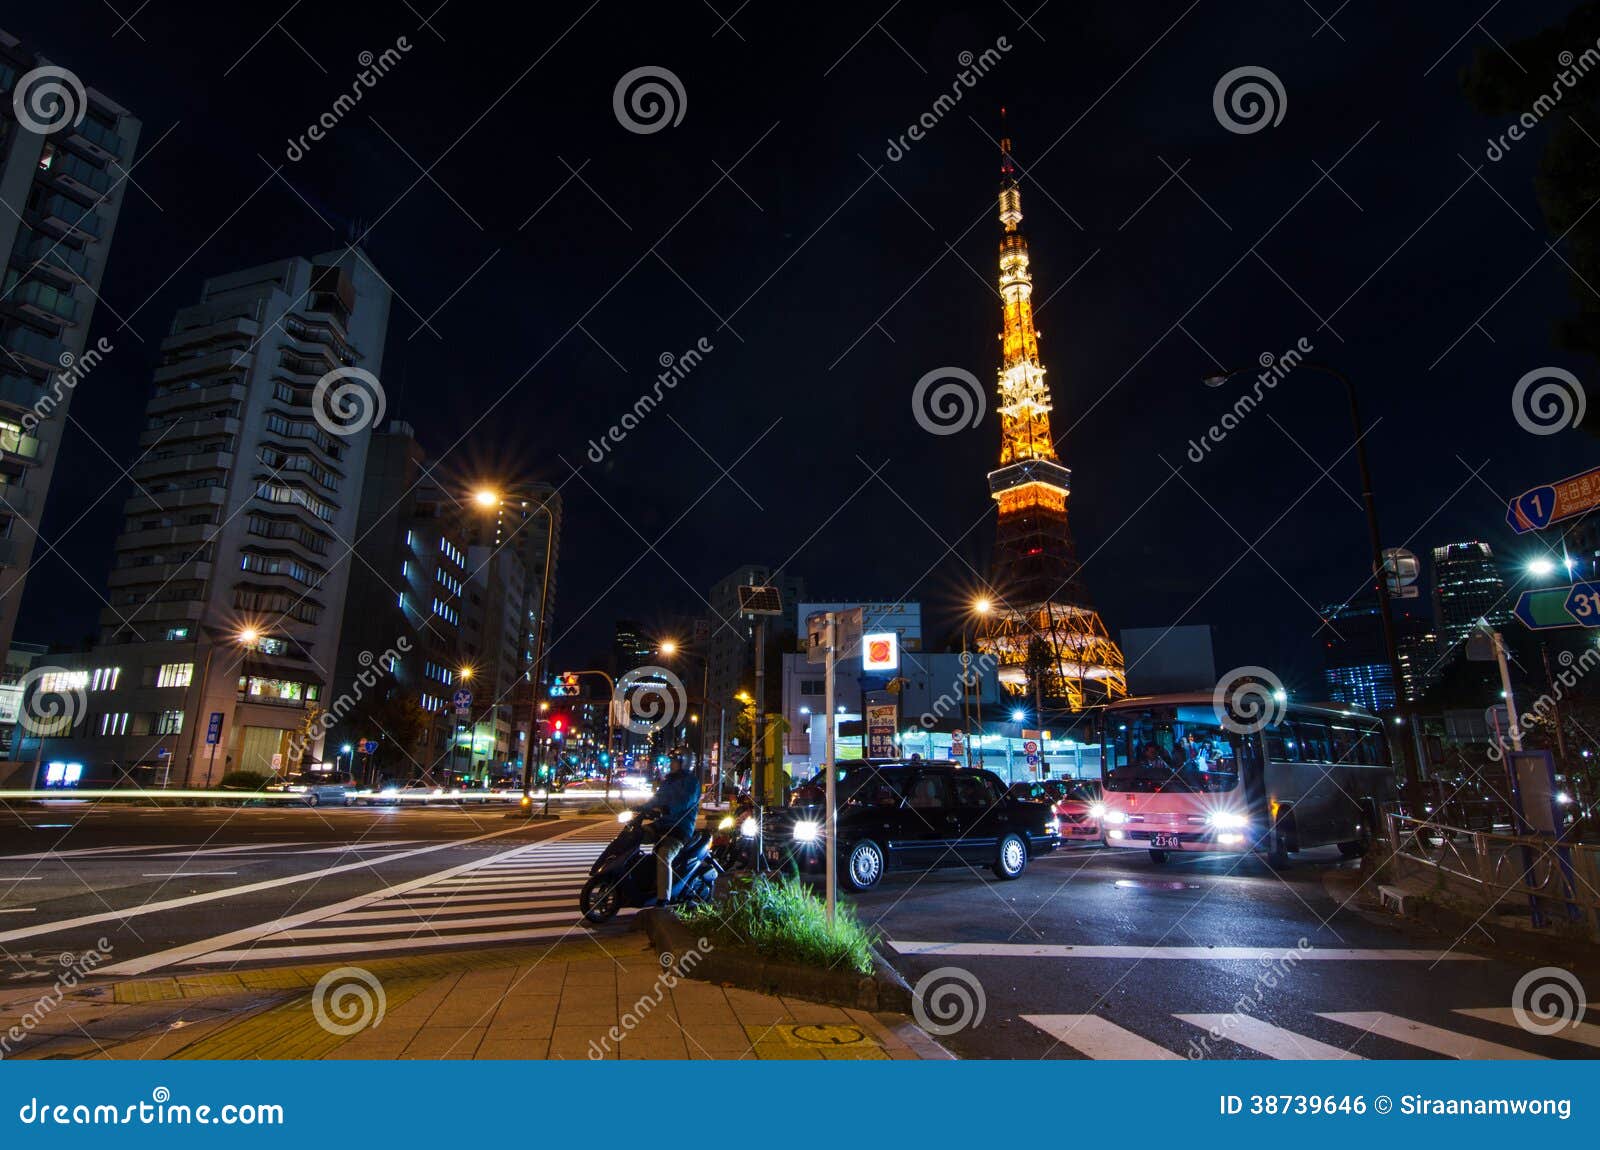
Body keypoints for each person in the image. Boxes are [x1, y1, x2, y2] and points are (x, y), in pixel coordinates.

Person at [638, 756, 700, 905]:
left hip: (680, 828)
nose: (671, 764)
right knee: (634, 835)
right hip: (662, 824)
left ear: (684, 763)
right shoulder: (668, 781)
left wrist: (667, 810)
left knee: (664, 855)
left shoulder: (691, 782)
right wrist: (643, 807)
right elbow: (657, 798)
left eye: (674, 761)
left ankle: (663, 899)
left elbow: (684, 802)